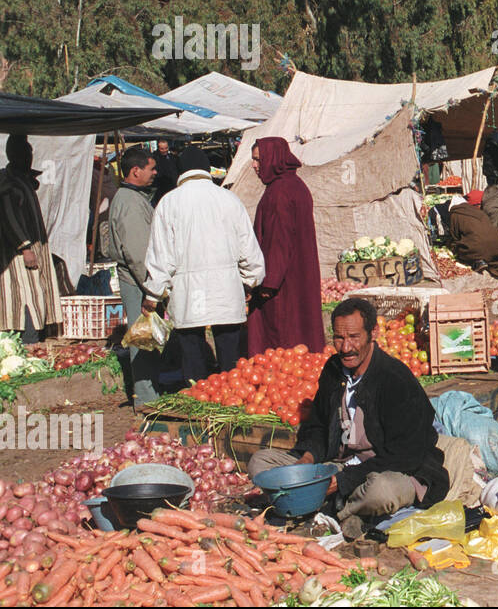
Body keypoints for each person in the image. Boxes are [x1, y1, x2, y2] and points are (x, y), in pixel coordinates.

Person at [248, 298, 458, 539]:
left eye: (354, 337)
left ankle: (337, 513)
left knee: (381, 493)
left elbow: (406, 454)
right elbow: (317, 424)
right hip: (339, 462)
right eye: (338, 338)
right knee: (260, 463)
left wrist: (346, 481)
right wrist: (308, 457)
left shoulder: (395, 379)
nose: (346, 347)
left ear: (373, 334)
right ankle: (334, 504)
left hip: (388, 469)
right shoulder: (333, 370)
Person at [143, 148, 265, 383]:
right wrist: (250, 281)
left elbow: (161, 255)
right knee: (230, 355)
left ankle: (198, 401)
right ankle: (232, 401)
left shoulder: (169, 203)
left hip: (190, 292)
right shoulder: (229, 199)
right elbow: (248, 248)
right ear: (206, 170)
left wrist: (153, 293)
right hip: (226, 288)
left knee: (192, 352)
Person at [246, 137, 326, 357]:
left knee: (282, 335)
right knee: (302, 327)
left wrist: (268, 283)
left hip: (283, 282)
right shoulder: (295, 185)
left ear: (272, 158)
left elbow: (278, 242)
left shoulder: (279, 192)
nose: (254, 165)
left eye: (257, 159)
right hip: (297, 273)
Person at [103, 146, 162, 405]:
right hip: (138, 280)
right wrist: (151, 290)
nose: (155, 172)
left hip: (138, 278)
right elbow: (137, 252)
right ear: (135, 171)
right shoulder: (129, 202)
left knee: (147, 336)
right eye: (152, 168)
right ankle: (147, 398)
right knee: (142, 336)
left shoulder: (132, 198)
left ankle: (151, 391)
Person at [0, 135, 62, 342]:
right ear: (14, 155)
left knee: (36, 294)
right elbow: (9, 217)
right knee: (23, 296)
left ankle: (33, 337)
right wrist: (25, 247)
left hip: (32, 249)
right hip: (16, 256)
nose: (29, 157)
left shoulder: (21, 179)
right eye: (25, 153)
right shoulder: (8, 183)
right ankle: (26, 340)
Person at [447, 191, 498, 277]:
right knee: (493, 250)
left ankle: (477, 261)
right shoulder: (479, 211)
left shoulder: (455, 214)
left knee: (459, 247)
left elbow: (455, 237)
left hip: (478, 246)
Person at [151, 139, 180, 206]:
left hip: (173, 186)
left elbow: (177, 170)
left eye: (166, 148)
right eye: (162, 149)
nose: (164, 150)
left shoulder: (173, 158)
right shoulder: (155, 158)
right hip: (161, 188)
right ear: (158, 148)